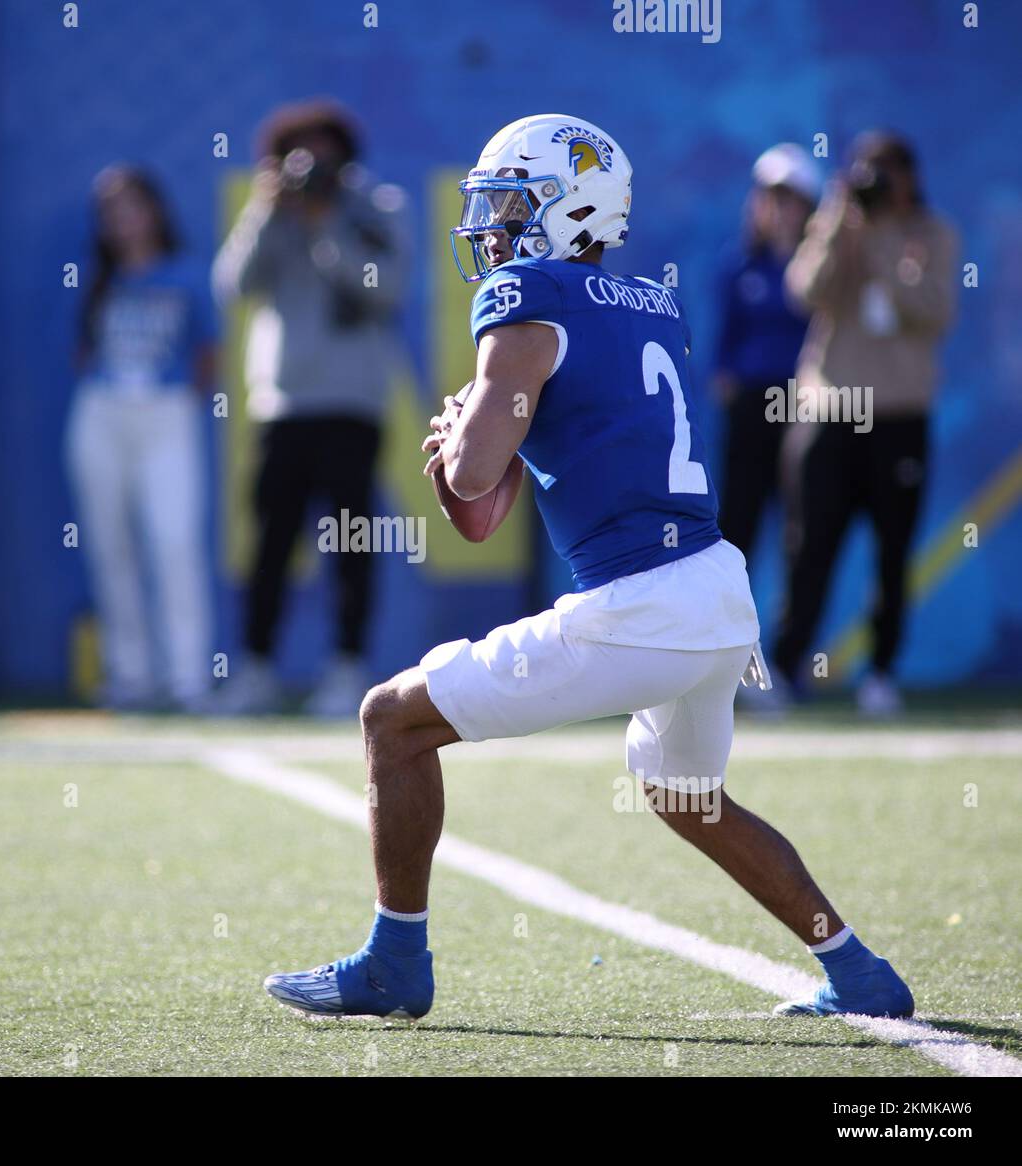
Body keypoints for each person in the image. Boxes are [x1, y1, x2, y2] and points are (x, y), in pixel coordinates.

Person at [262, 115, 914, 1022]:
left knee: (391, 722)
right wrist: (473, 459)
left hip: (637, 606)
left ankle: (393, 964)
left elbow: (475, 484)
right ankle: (861, 974)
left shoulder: (528, 298)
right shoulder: (646, 301)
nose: (490, 227)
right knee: (689, 798)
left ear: (564, 209)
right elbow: (494, 505)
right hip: (716, 593)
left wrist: (456, 444)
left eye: (510, 203)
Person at [212, 100, 406, 718]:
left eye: (323, 153)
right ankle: (255, 669)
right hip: (282, 403)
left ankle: (347, 669)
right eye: (298, 154)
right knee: (269, 545)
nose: (311, 166)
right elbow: (234, 286)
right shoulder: (270, 212)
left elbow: (384, 287)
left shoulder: (377, 206)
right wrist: (266, 209)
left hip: (353, 403)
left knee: (351, 544)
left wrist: (326, 224)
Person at [775, 132, 957, 717]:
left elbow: (935, 311)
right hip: (830, 410)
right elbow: (805, 291)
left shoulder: (934, 236)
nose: (875, 183)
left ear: (909, 178)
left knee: (892, 552)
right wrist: (835, 222)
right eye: (865, 171)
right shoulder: (839, 226)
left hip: (899, 416)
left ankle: (881, 673)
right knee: (809, 546)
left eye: (886, 172)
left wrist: (883, 248)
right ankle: (785, 667)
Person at [66, 165, 216, 712]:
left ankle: (187, 678)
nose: (122, 221)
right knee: (110, 544)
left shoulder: (185, 275)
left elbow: (209, 355)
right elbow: (82, 352)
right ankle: (129, 675)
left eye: (131, 206)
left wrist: (173, 399)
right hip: (102, 410)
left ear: (154, 210)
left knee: (174, 540)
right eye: (110, 212)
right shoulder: (100, 279)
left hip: (167, 410)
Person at [712, 143, 818, 560]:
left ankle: (792, 625)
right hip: (750, 405)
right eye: (771, 197)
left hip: (805, 404)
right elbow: (726, 335)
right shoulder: (738, 264)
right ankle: (728, 623)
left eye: (789, 199)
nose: (778, 208)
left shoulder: (819, 265)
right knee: (739, 521)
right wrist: (727, 384)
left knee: (801, 521)